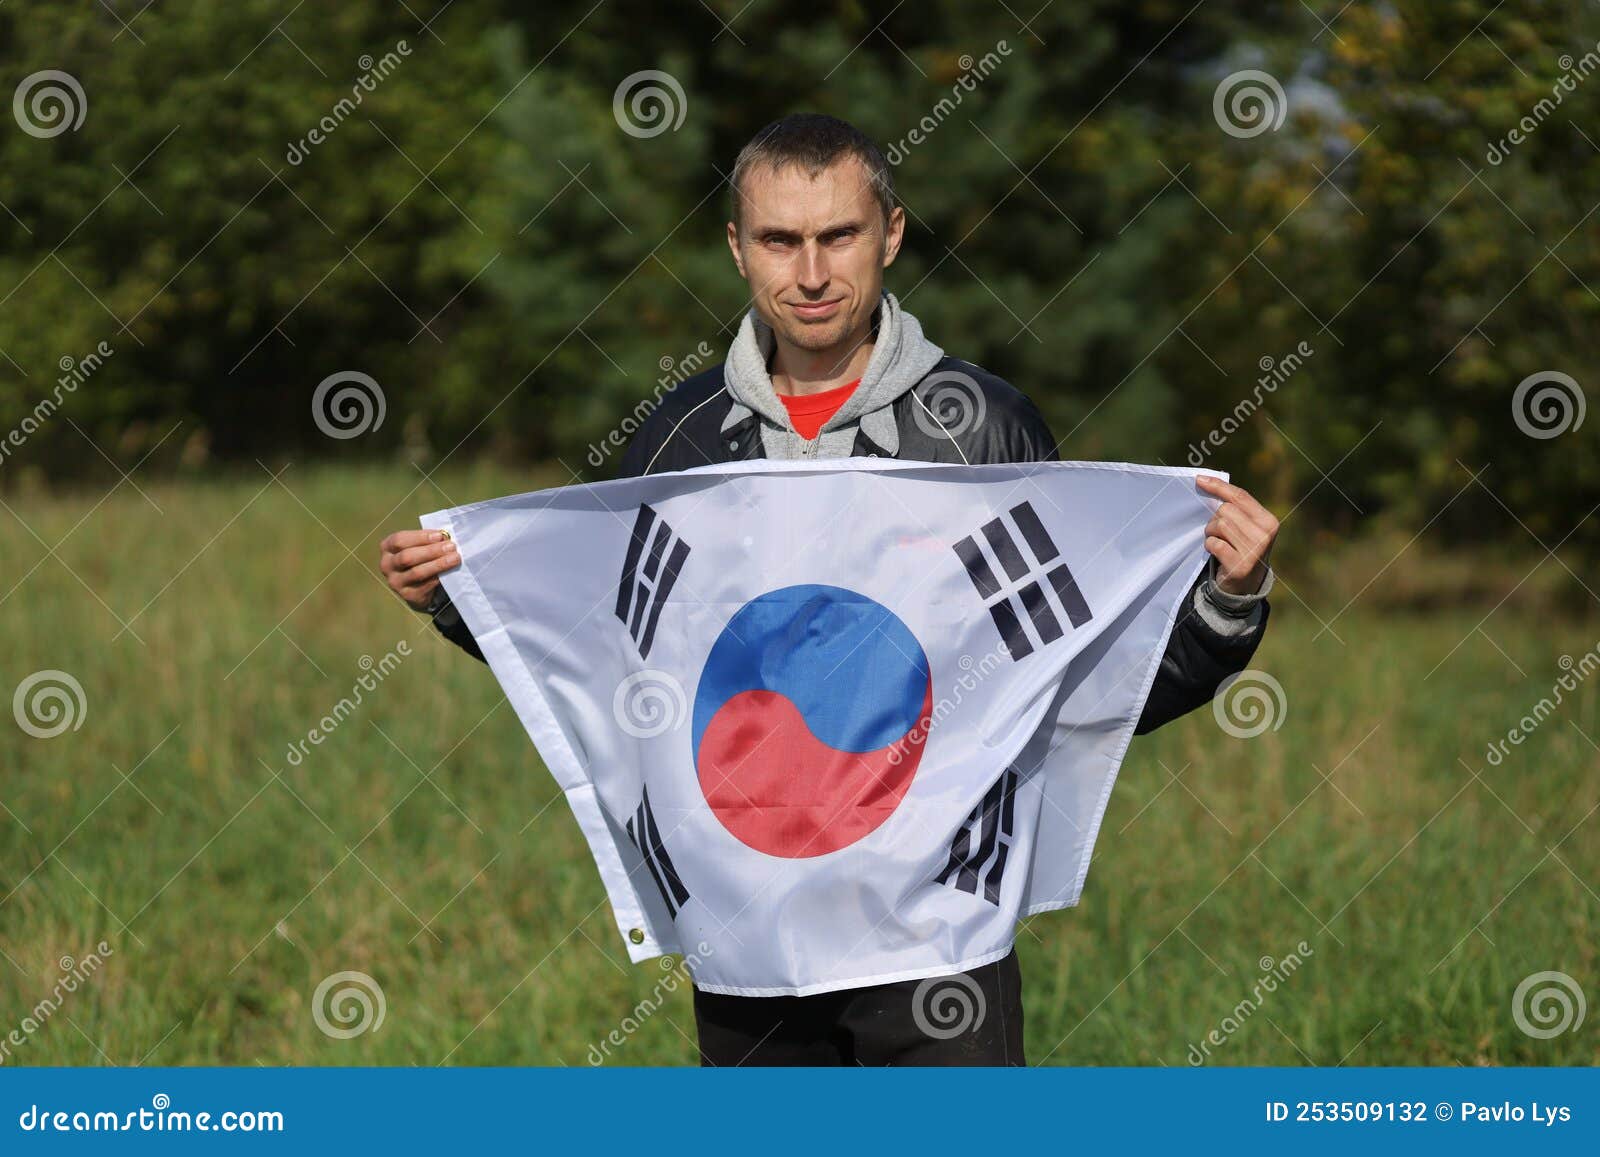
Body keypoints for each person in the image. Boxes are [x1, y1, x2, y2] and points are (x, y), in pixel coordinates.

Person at [379, 113, 1279, 1066]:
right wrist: (460, 596)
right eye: (779, 240)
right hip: (748, 940)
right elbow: (611, 662)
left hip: (939, 953)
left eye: (837, 236)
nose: (810, 274)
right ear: (737, 249)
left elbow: (1073, 689)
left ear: (890, 233)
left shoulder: (981, 436)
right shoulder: (675, 443)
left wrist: (1227, 602)